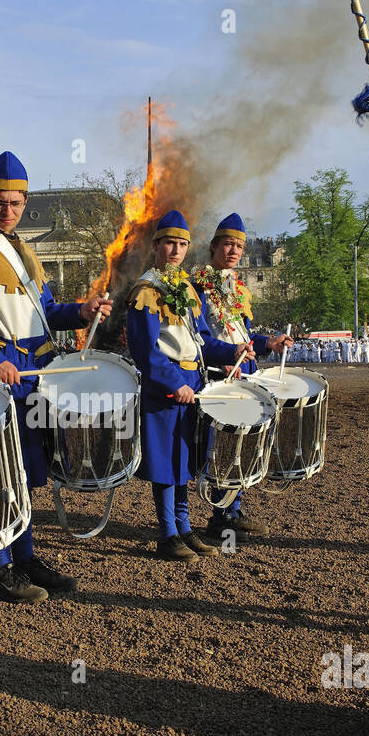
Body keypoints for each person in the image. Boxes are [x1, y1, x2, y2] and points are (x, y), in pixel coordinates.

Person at [0, 151, 110, 603]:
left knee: (23, 472)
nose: (8, 210)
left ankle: (26, 556)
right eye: (0, 202)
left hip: (32, 378)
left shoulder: (24, 252)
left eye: (16, 203)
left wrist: (83, 310)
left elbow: (47, 312)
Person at [125, 210, 246, 562]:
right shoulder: (145, 291)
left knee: (183, 459)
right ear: (156, 246)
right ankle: (167, 533)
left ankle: (184, 527)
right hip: (166, 387)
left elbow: (204, 341)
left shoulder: (188, 289)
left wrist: (234, 348)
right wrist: (173, 382)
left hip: (193, 383)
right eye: (169, 244)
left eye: (181, 244)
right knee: (165, 461)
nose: (175, 251)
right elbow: (145, 350)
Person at [191, 213, 292, 540]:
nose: (233, 251)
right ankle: (221, 515)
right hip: (218, 375)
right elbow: (199, 338)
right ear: (214, 247)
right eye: (228, 244)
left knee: (241, 446)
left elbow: (242, 335)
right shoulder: (198, 284)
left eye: (239, 246)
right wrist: (228, 354)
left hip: (243, 373)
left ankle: (232, 511)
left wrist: (267, 343)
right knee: (221, 449)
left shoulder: (235, 286)